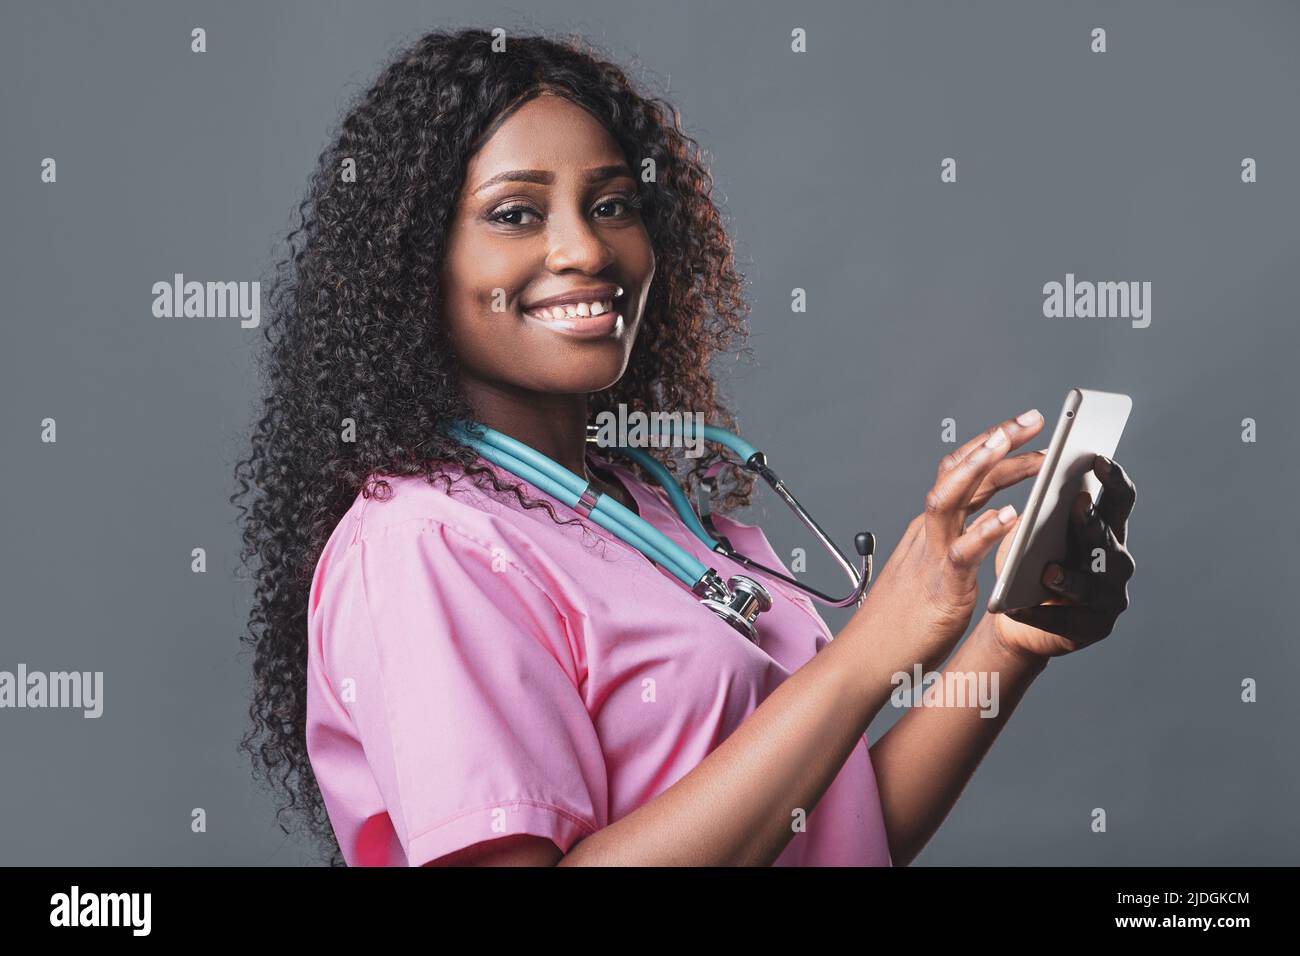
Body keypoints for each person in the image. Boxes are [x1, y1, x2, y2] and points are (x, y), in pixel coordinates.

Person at [232, 28, 1138, 867]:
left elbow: (835, 836)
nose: (586, 248)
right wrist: (872, 650)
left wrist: (1007, 641)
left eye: (613, 203)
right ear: (414, 260)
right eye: (515, 213)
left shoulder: (654, 505)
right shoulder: (425, 545)